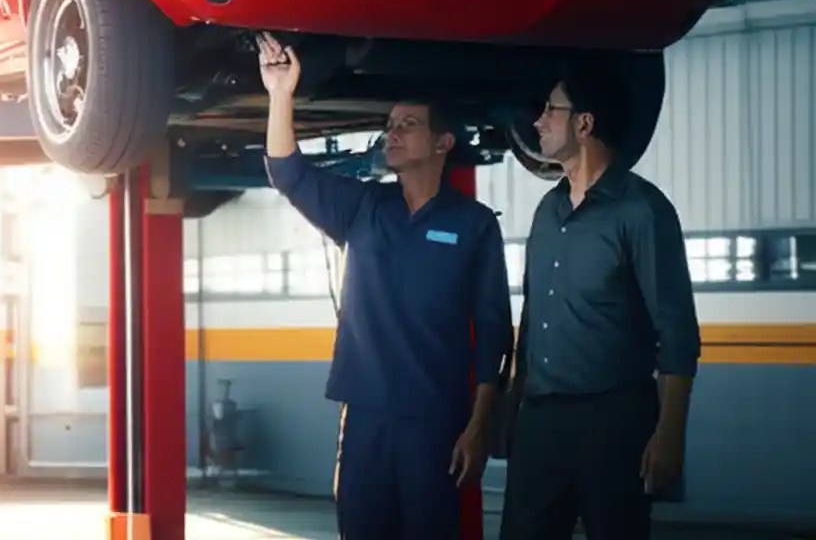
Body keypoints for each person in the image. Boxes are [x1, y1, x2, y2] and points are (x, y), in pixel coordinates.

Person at [257, 32, 514, 540]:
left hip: (435, 422)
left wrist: (479, 426)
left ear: (443, 143)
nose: (392, 134)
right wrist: (281, 94)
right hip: (365, 418)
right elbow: (288, 172)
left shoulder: (474, 224)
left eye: (408, 125)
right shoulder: (363, 208)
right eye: (390, 125)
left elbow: (494, 334)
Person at [499, 66, 701, 540]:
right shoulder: (548, 211)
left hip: (613, 424)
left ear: (584, 124)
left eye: (551, 110)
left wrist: (670, 434)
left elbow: (677, 331)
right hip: (541, 422)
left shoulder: (642, 211)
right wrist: (513, 403)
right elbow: (533, 317)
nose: (538, 121)